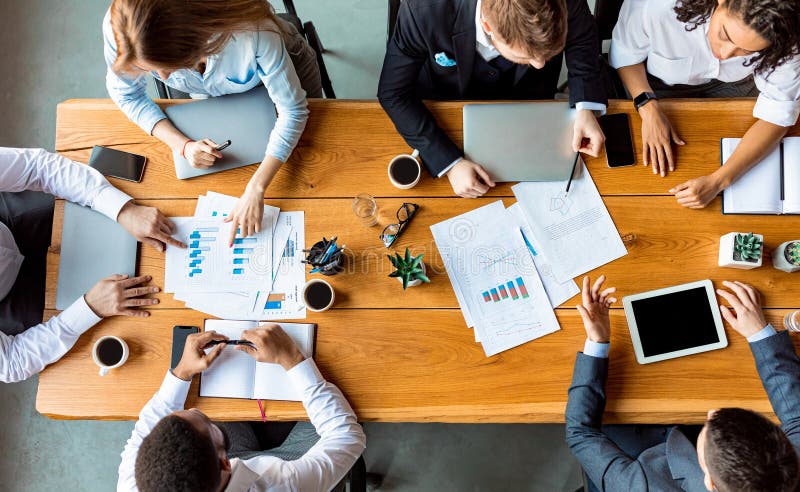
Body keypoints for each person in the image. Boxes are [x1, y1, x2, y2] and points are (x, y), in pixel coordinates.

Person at [103, 0, 321, 244]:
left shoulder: (255, 32)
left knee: (316, 141)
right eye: (151, 70)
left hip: (287, 62)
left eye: (170, 65)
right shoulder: (123, 33)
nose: (163, 78)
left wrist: (256, 188)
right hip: (215, 88)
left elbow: (293, 111)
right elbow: (126, 95)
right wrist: (183, 145)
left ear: (196, 39)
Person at [565, 275, 800, 491]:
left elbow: (580, 431)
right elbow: (797, 419)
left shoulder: (638, 486)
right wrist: (760, 333)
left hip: (650, 459)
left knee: (613, 424)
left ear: (709, 482)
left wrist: (597, 342)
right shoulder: (792, 462)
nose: (712, 411)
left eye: (710, 423)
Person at [378, 0, 607, 198]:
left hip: (530, 102)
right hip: (446, 105)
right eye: (526, 55)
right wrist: (450, 164)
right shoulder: (423, 9)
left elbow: (582, 38)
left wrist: (586, 106)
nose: (540, 64)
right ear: (488, 26)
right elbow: (393, 92)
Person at [0, 147, 183, 383]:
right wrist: (90, 309)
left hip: (11, 221)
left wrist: (123, 210)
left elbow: (39, 167)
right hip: (12, 303)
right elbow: (12, 362)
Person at [118, 324, 366, 492]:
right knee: (351, 404)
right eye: (209, 425)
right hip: (275, 468)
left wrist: (182, 372)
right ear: (225, 463)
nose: (193, 411)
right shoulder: (281, 485)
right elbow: (347, 437)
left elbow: (144, 427)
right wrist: (291, 357)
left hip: (228, 471)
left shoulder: (133, 485)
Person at [610, 0, 800, 208]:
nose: (726, 54)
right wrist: (647, 107)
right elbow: (625, 53)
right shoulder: (656, 6)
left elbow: (777, 113)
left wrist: (719, 180)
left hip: (737, 83)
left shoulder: (786, 35)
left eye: (746, 51)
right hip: (657, 86)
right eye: (725, 35)